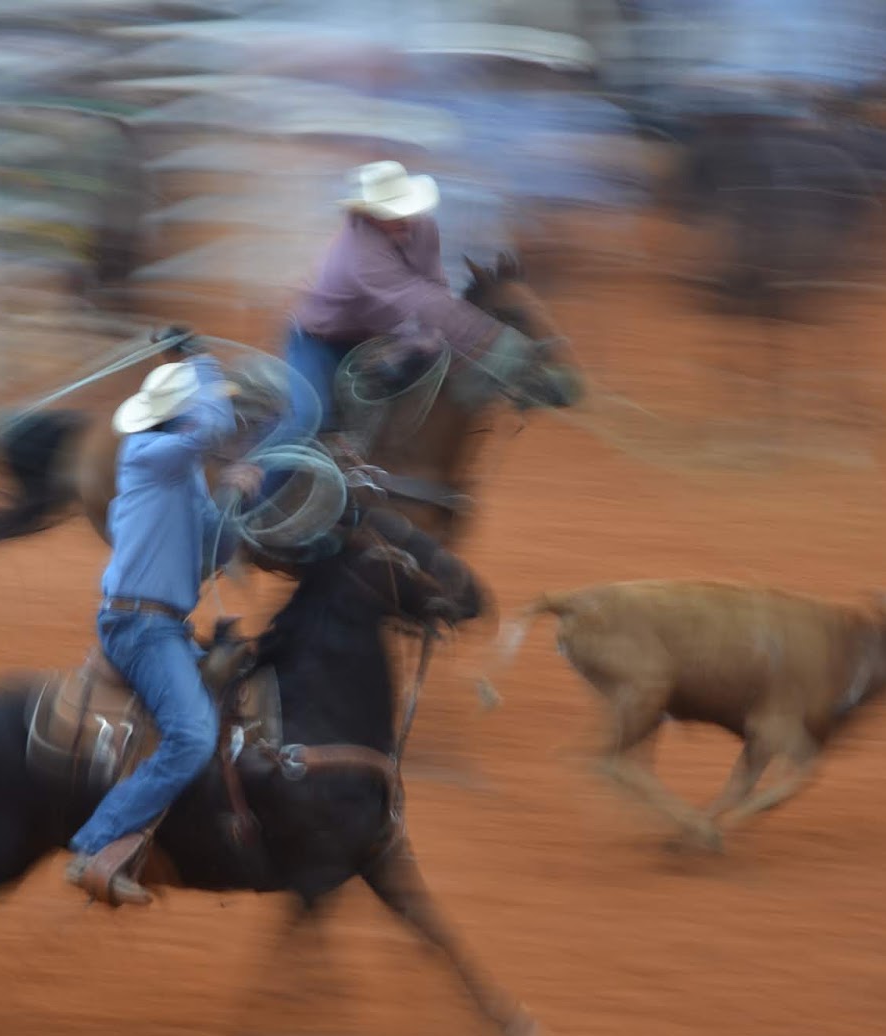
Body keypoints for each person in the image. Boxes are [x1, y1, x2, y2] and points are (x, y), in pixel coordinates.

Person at [66, 332, 261, 906]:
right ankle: (93, 845)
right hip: (139, 629)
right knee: (194, 735)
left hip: (163, 628)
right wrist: (202, 365)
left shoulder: (185, 476)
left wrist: (234, 500)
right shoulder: (149, 455)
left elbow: (213, 554)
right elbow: (210, 427)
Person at [270, 160, 544, 455]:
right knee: (311, 418)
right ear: (369, 214)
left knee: (408, 404)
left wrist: (429, 337)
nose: (403, 218)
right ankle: (250, 483)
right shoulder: (357, 256)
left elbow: (434, 284)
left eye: (404, 209)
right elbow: (417, 298)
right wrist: (489, 337)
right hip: (317, 341)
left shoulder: (423, 226)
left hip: (371, 336)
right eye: (392, 212)